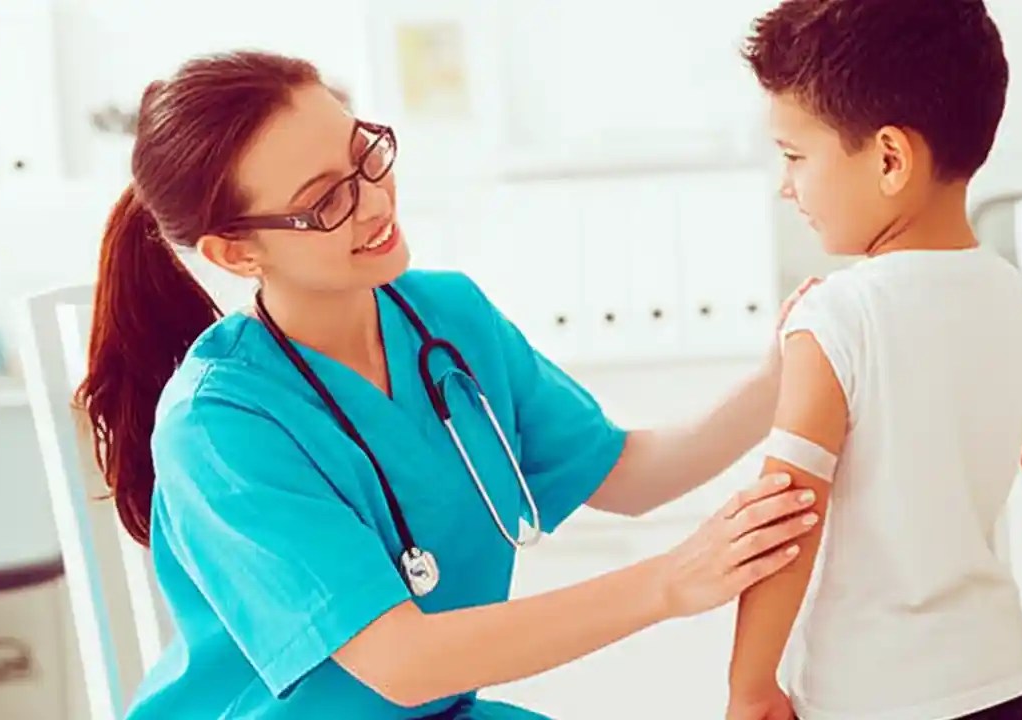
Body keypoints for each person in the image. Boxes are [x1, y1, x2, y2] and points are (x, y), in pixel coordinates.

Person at [76, 50, 822, 719]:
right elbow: (404, 663)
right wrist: (669, 584)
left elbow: (625, 476)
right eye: (327, 199)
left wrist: (779, 378)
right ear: (237, 254)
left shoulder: (446, 317)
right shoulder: (219, 425)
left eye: (365, 154)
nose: (373, 201)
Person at [723, 2, 1022, 719]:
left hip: (869, 697)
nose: (785, 183)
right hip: (1000, 682)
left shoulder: (834, 317)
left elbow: (787, 513)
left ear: (890, 159)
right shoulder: (1013, 297)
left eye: (795, 156)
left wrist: (750, 684)